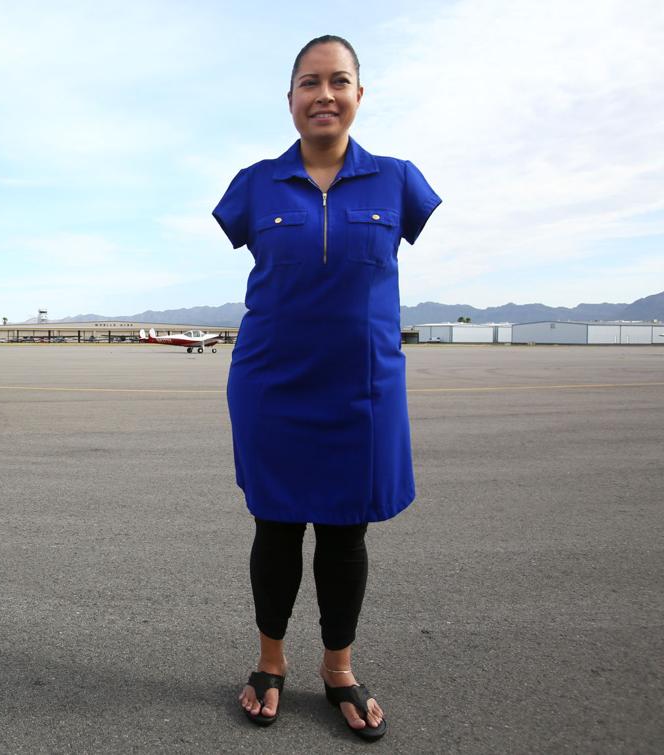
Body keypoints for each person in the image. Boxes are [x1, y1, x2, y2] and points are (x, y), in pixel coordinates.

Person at [212, 35, 440, 741]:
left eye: (338, 81)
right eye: (309, 83)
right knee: (275, 529)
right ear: (290, 101)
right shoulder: (254, 185)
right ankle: (269, 662)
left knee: (346, 534)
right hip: (272, 387)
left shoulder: (398, 181)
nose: (324, 94)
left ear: (359, 96)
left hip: (362, 392)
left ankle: (338, 667)